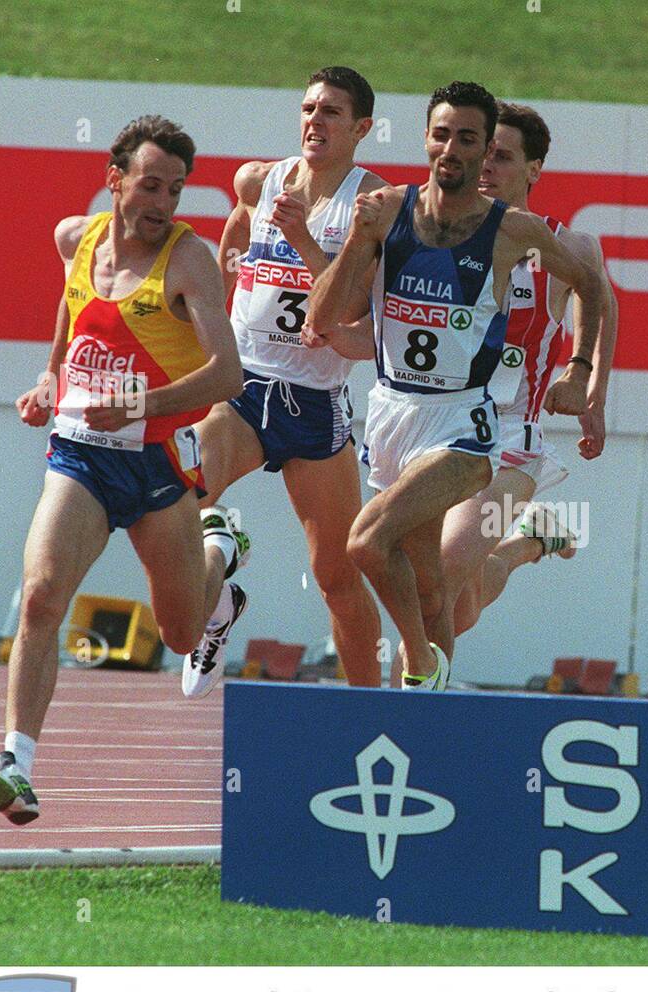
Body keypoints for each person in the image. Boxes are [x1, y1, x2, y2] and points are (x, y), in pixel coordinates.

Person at [0, 116, 244, 824]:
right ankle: (16, 764)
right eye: (150, 185)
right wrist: (48, 377)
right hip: (79, 457)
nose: (162, 203)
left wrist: (141, 402)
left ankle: (220, 559)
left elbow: (229, 375)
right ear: (115, 179)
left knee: (183, 633)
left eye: (176, 190)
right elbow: (70, 317)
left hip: (157, 464)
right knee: (40, 595)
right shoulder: (77, 237)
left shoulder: (191, 263)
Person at [303, 81, 603, 690]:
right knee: (447, 602)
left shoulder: (525, 234)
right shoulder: (389, 213)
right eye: (443, 135)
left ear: (497, 152)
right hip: (394, 419)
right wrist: (352, 248)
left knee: (374, 550)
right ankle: (526, 546)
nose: (459, 152)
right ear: (425, 139)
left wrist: (582, 377)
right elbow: (333, 320)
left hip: (485, 433)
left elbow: (595, 285)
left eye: (475, 142)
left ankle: (417, 680)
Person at [182, 66, 385, 697]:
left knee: (337, 577)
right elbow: (238, 226)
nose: (314, 121)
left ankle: (372, 710)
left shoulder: (373, 205)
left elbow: (353, 308)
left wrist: (300, 240)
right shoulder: (259, 179)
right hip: (242, 386)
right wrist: (224, 290)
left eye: (330, 112)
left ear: (362, 128)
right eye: (307, 109)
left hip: (314, 403)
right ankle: (218, 610)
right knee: (176, 500)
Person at [443, 100, 617, 648]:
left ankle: (404, 714)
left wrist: (587, 385)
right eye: (480, 153)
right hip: (433, 430)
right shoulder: (436, 231)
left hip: (508, 440)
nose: (486, 168)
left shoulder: (569, 246)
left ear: (534, 169)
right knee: (461, 607)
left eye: (502, 156)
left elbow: (601, 302)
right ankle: (530, 541)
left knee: (439, 588)